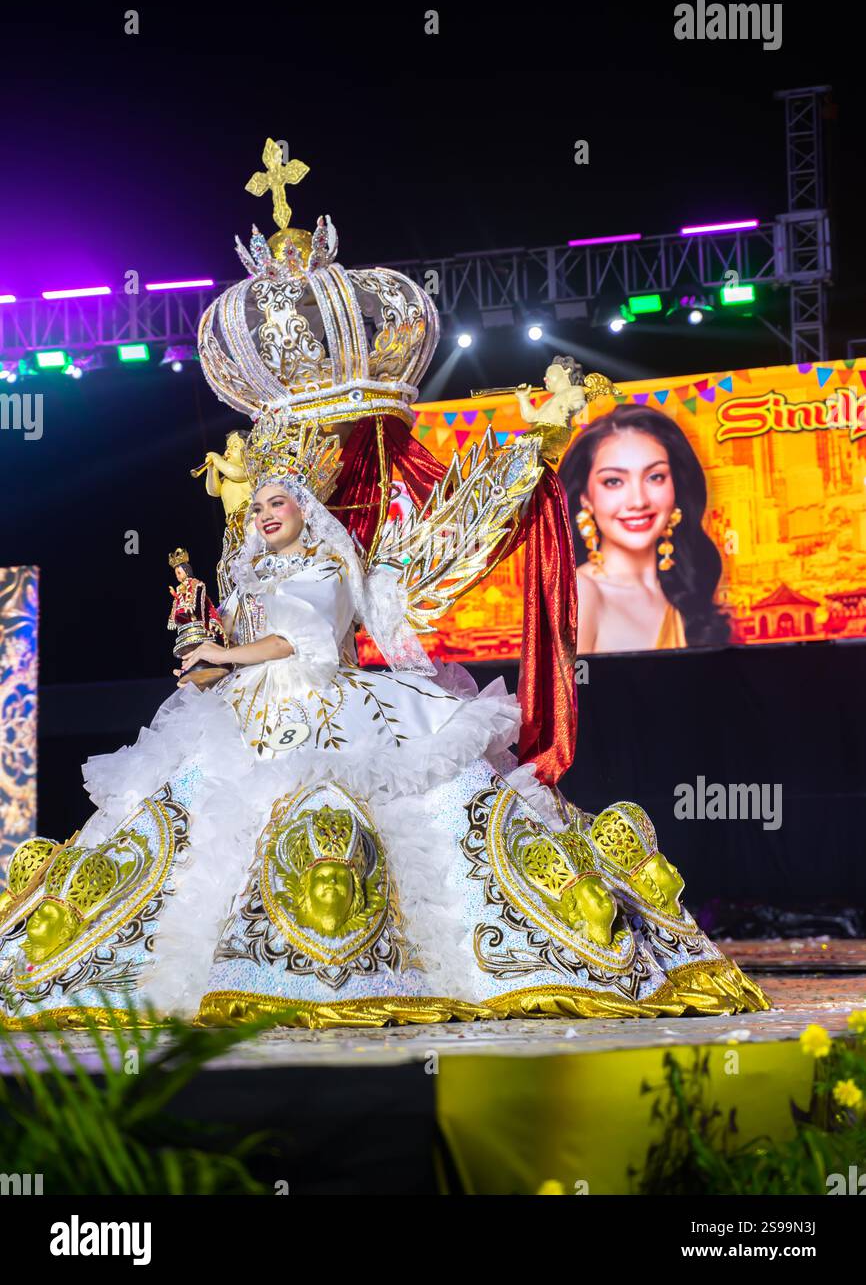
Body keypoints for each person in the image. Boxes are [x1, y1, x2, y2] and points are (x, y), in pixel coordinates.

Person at [0, 421, 764, 1029]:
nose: (265, 516)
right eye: (258, 506)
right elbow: (237, 648)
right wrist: (201, 662)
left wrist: (227, 652)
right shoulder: (251, 576)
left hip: (327, 707)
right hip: (246, 714)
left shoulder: (331, 567)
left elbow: (300, 643)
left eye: (278, 503)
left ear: (308, 509)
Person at [559, 405, 730, 652]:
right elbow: (568, 689)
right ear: (586, 497)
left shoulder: (681, 588)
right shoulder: (581, 591)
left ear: (676, 487)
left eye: (655, 477)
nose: (638, 501)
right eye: (614, 481)